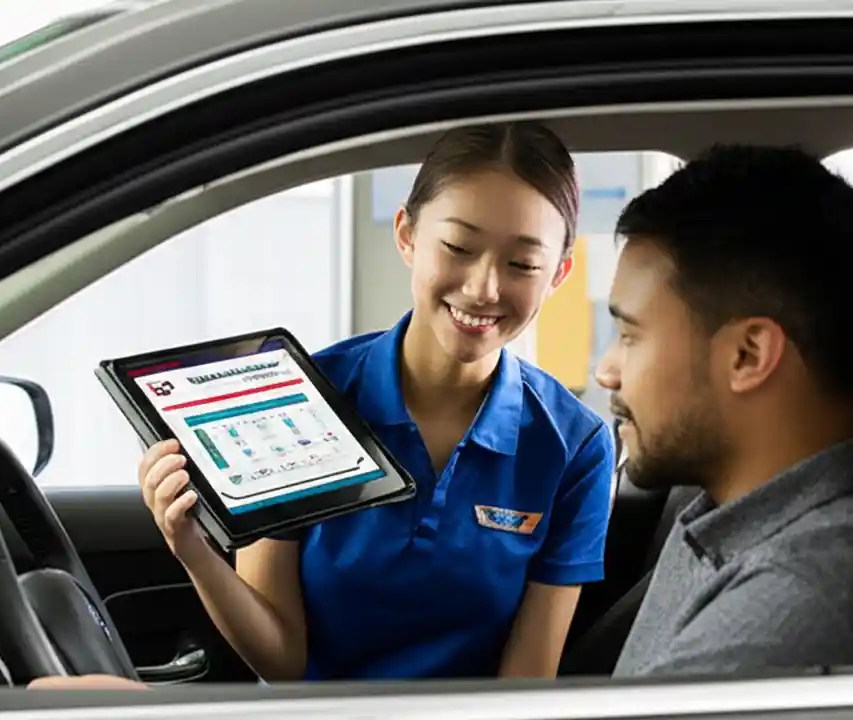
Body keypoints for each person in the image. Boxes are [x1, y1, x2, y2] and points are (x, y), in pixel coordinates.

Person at [32, 121, 615, 689]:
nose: (485, 288)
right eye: (459, 246)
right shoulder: (303, 393)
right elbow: (281, 660)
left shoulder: (575, 446)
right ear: (407, 235)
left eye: (523, 265)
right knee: (58, 699)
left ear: (559, 273)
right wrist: (192, 547)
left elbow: (525, 686)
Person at [599, 145, 853, 677]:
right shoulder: (746, 513)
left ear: (747, 356)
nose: (606, 372)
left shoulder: (795, 605)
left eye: (630, 336)